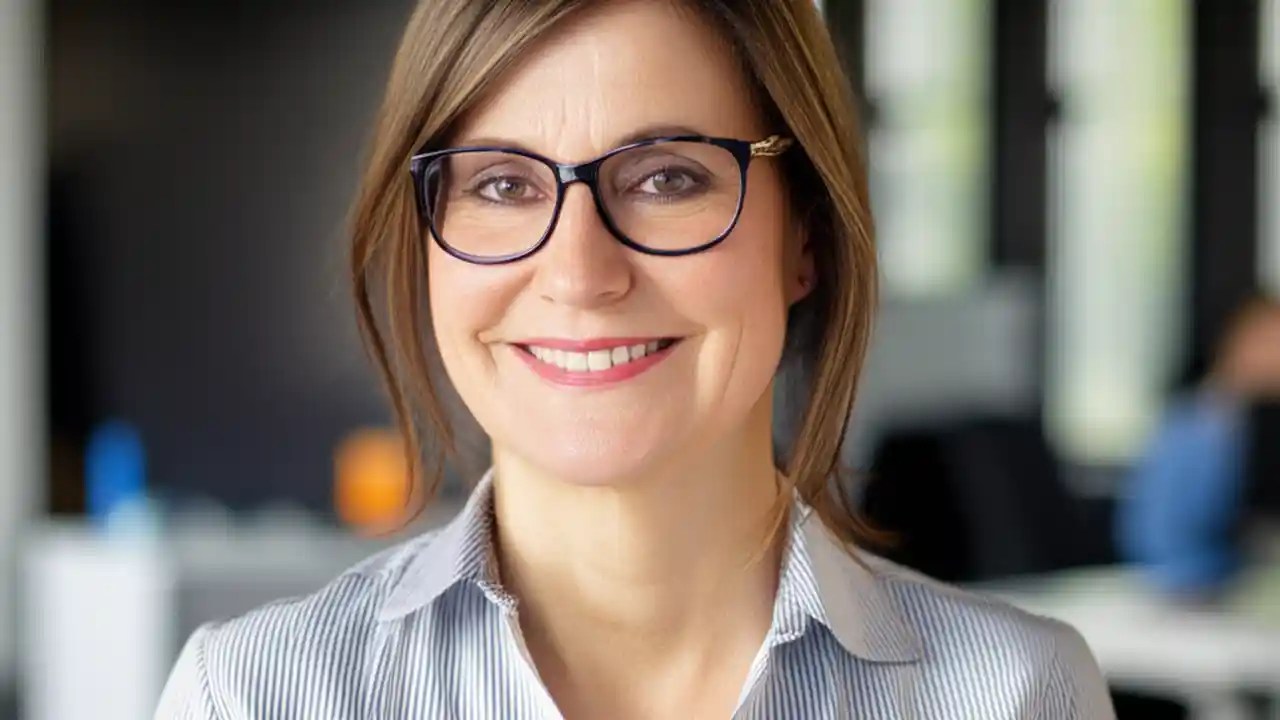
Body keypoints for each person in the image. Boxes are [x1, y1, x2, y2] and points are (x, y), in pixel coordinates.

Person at [156, 1, 1113, 717]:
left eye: (667, 178)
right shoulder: (254, 697)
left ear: (805, 237)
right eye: (500, 183)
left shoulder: (1017, 696)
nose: (577, 270)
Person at [1119, 297, 1280, 597]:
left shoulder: (1256, 425)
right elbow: (1158, 539)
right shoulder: (1195, 426)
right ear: (1241, 342)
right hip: (1187, 589)